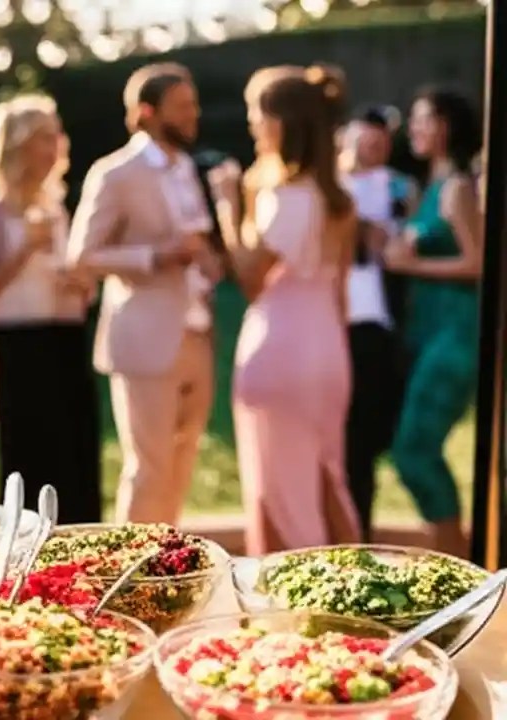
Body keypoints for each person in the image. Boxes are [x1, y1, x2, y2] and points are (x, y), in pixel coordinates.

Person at [209, 65, 361, 554]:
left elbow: (251, 276)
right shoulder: (336, 199)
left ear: (280, 122)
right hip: (327, 347)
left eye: (258, 113)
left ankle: (288, 606)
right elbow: (337, 290)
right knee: (325, 479)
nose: (252, 123)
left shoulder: (291, 197)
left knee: (280, 489)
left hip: (280, 350)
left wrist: (226, 207)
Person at [68, 63, 223, 525]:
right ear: (147, 112)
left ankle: (168, 573)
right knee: (149, 469)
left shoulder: (187, 169)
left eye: (193, 105)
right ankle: (130, 581)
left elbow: (196, 244)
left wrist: (209, 259)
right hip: (144, 338)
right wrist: (157, 256)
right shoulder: (115, 173)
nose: (193, 115)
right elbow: (83, 255)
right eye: (182, 107)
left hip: (196, 330)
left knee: (180, 466)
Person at [0, 95, 97, 520]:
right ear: (15, 146)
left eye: (56, 136)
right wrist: (23, 254)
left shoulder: (55, 208)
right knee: (29, 464)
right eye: (43, 138)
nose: (55, 147)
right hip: (18, 350)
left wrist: (82, 284)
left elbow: (69, 287)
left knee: (77, 465)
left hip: (67, 344)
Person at [383, 88, 483, 557]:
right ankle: (454, 559)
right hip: (427, 334)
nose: (413, 128)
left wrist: (409, 267)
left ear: (446, 125)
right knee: (415, 452)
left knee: (415, 451)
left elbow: (479, 263)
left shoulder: (458, 187)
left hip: (456, 335)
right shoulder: (429, 186)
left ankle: (460, 568)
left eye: (422, 119)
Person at [338, 106, 417, 539]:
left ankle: (358, 535)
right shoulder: (326, 186)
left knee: (363, 444)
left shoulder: (402, 188)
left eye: (380, 143)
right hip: (327, 324)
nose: (373, 149)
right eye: (364, 140)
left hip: (375, 326)